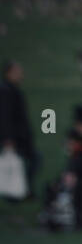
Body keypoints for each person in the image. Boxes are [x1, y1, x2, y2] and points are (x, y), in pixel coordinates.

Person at [0, 59, 39, 200]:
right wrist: (8, 139)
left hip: (20, 137)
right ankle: (18, 193)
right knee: (30, 161)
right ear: (9, 73)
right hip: (15, 138)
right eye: (17, 71)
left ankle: (21, 192)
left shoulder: (12, 90)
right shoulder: (6, 91)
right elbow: (5, 117)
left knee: (29, 161)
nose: (21, 74)